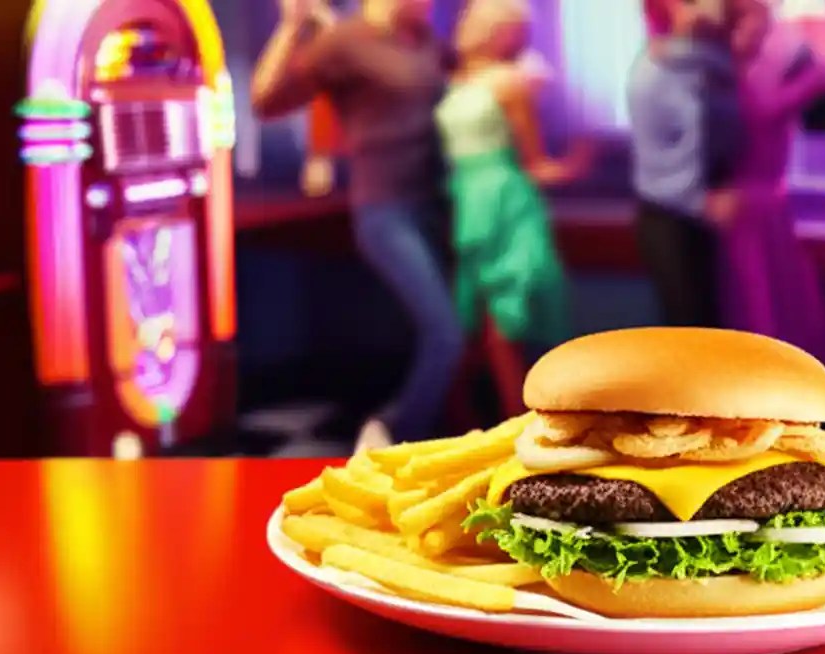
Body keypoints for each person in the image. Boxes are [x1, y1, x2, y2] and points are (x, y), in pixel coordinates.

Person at [251, 0, 463, 450]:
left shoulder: (424, 40)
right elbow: (266, 100)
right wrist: (292, 28)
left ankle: (437, 452)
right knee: (445, 331)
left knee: (450, 331)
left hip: (436, 207)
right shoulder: (345, 43)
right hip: (385, 211)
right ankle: (388, 435)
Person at [436, 0, 588, 414]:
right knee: (474, 320)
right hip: (469, 201)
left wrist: (574, 166)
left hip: (508, 204)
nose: (520, 37)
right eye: (515, 29)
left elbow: (535, 163)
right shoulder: (458, 77)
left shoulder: (513, 82)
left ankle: (516, 422)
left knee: (504, 318)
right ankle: (461, 418)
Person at [722, 0, 825, 370]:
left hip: (773, 210)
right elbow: (766, 109)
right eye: (747, 23)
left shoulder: (768, 60)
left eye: (764, 24)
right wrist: (824, 74)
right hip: (747, 214)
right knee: (757, 315)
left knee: (786, 313)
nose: (757, 32)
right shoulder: (723, 74)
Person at [628, 0, 744, 328]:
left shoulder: (717, 66)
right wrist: (699, 200)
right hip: (670, 215)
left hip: (712, 210)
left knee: (716, 324)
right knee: (689, 327)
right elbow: (654, 160)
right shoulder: (654, 70)